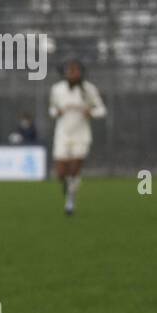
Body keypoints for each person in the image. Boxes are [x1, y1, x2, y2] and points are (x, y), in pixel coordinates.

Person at [49, 59, 105, 215]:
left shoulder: (89, 90)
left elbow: (101, 110)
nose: (72, 73)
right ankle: (67, 186)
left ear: (81, 72)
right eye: (69, 70)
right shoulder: (57, 89)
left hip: (81, 134)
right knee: (61, 173)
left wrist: (91, 113)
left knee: (75, 169)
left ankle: (70, 202)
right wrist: (56, 112)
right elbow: (52, 109)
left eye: (75, 70)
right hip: (62, 134)